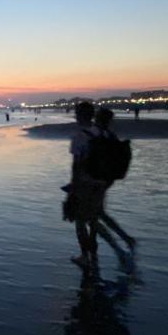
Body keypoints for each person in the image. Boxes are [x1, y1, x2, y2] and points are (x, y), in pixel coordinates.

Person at [68, 102, 108, 268]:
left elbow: (76, 164)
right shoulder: (101, 132)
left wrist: (73, 186)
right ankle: (94, 253)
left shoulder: (79, 136)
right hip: (102, 182)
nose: (75, 116)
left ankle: (85, 256)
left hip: (85, 183)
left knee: (79, 221)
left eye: (77, 114)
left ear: (80, 115)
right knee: (93, 219)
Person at [93, 108, 137, 253]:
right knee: (99, 213)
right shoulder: (110, 135)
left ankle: (118, 247)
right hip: (106, 180)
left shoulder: (98, 134)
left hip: (96, 180)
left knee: (92, 216)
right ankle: (125, 239)